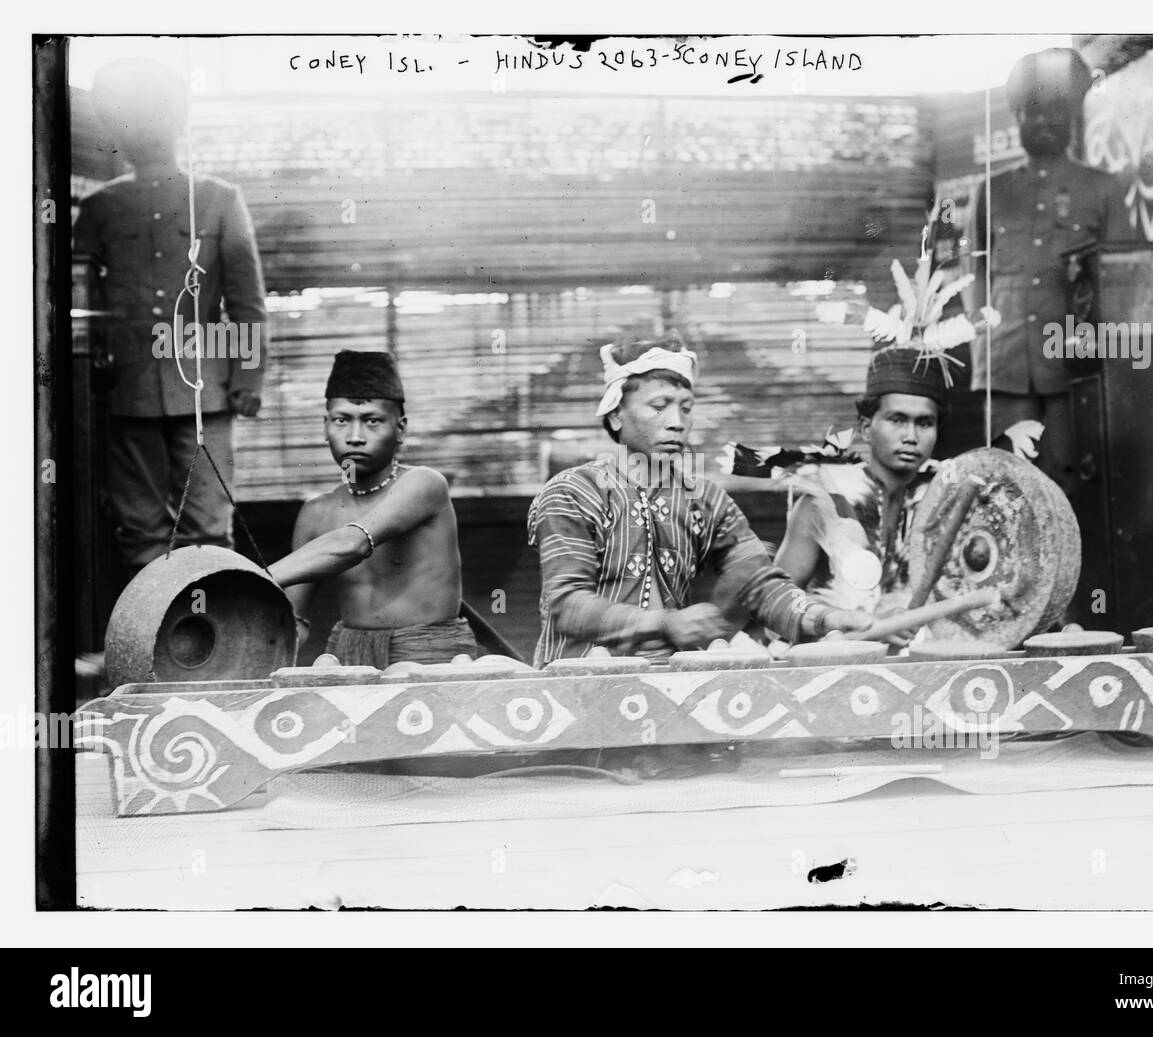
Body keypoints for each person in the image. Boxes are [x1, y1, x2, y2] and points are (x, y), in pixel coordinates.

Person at [526, 334, 874, 667]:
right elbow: (567, 604)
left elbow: (759, 582)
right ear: (616, 415)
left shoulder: (706, 499)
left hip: (670, 685)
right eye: (659, 406)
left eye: (687, 408)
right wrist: (663, 623)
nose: (677, 423)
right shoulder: (574, 492)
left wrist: (822, 617)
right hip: (576, 686)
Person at [73, 58, 268, 578]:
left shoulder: (218, 199)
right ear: (117, 128)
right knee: (139, 531)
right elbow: (80, 301)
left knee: (209, 525)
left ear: (177, 122)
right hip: (126, 390)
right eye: (131, 117)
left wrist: (247, 378)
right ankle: (152, 623)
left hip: (206, 391)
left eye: (155, 115)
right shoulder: (99, 208)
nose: (144, 129)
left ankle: (215, 623)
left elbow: (246, 301)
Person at [969, 47, 1130, 498]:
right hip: (1005, 362)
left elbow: (1121, 280)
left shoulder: (1101, 188)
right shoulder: (993, 189)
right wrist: (983, 343)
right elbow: (974, 270)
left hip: (1073, 364)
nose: (1043, 121)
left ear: (1071, 116)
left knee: (1070, 480)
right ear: (1018, 117)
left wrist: (1110, 358)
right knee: (1003, 482)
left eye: (1056, 111)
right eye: (1032, 111)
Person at [268, 350, 475, 668]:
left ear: (400, 429)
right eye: (342, 420)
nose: (355, 437)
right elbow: (293, 620)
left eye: (372, 421)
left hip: (428, 653)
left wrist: (250, 579)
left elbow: (354, 543)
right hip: (348, 652)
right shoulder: (316, 512)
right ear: (325, 427)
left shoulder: (424, 483)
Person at [763, 348, 946, 647]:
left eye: (924, 423)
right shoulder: (822, 501)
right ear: (865, 428)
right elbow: (774, 608)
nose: (911, 436)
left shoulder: (947, 502)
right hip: (837, 663)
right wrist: (853, 621)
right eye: (897, 420)